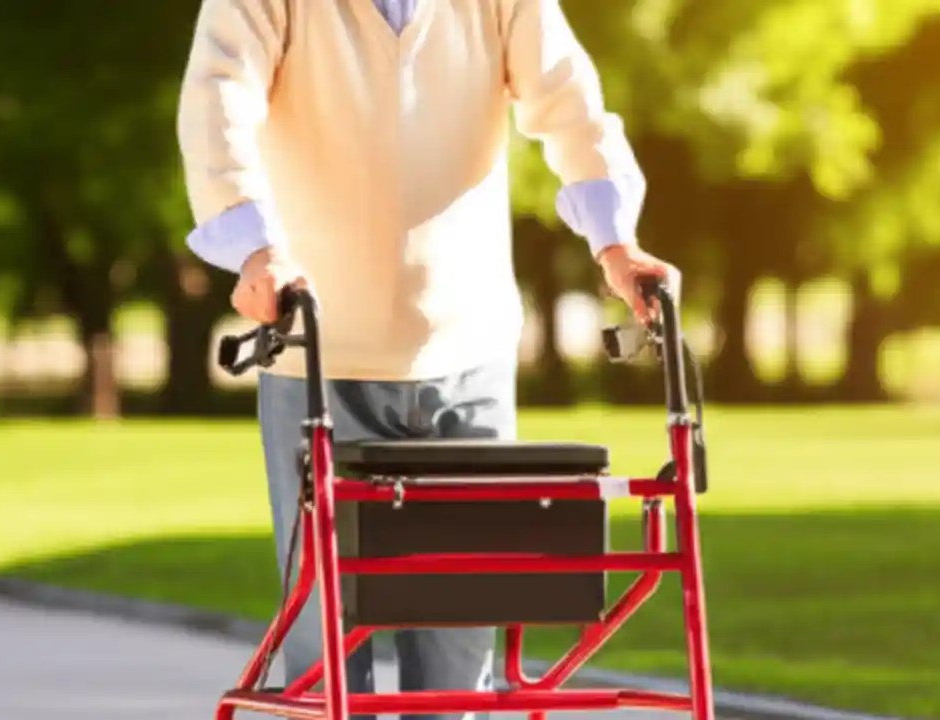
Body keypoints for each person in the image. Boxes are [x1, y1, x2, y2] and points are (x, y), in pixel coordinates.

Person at [177, 0, 679, 716]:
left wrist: (615, 243)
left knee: (457, 663)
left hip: (466, 352)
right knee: (326, 657)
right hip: (320, 355)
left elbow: (570, 101)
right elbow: (217, 102)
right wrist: (253, 249)